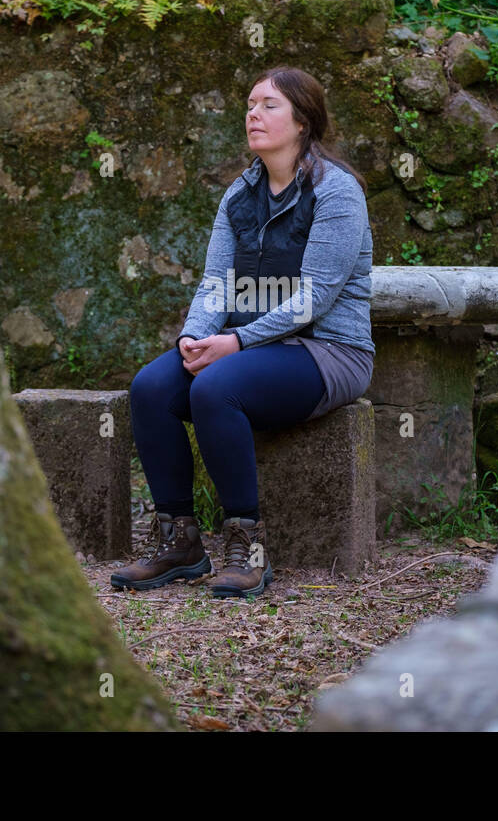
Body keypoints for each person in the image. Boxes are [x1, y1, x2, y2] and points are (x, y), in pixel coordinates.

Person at [112, 66, 375, 598]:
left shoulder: (337, 192)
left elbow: (314, 299)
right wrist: (195, 337)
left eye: (268, 105)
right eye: (250, 104)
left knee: (216, 386)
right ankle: (179, 543)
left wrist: (233, 343)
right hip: (251, 346)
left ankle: (247, 548)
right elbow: (217, 282)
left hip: (328, 351)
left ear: (303, 121)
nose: (252, 114)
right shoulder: (240, 193)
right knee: (152, 388)